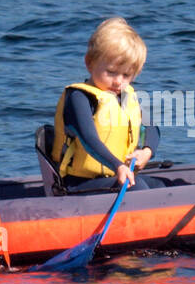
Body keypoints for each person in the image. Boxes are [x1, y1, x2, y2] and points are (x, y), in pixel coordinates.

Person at [50, 17, 162, 193]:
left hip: (115, 175)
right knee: (138, 187)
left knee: (160, 186)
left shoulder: (125, 96)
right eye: (111, 72)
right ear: (90, 63)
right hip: (76, 183)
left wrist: (147, 151)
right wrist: (118, 165)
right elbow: (89, 139)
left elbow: (151, 126)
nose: (118, 81)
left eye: (126, 75)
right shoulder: (78, 97)